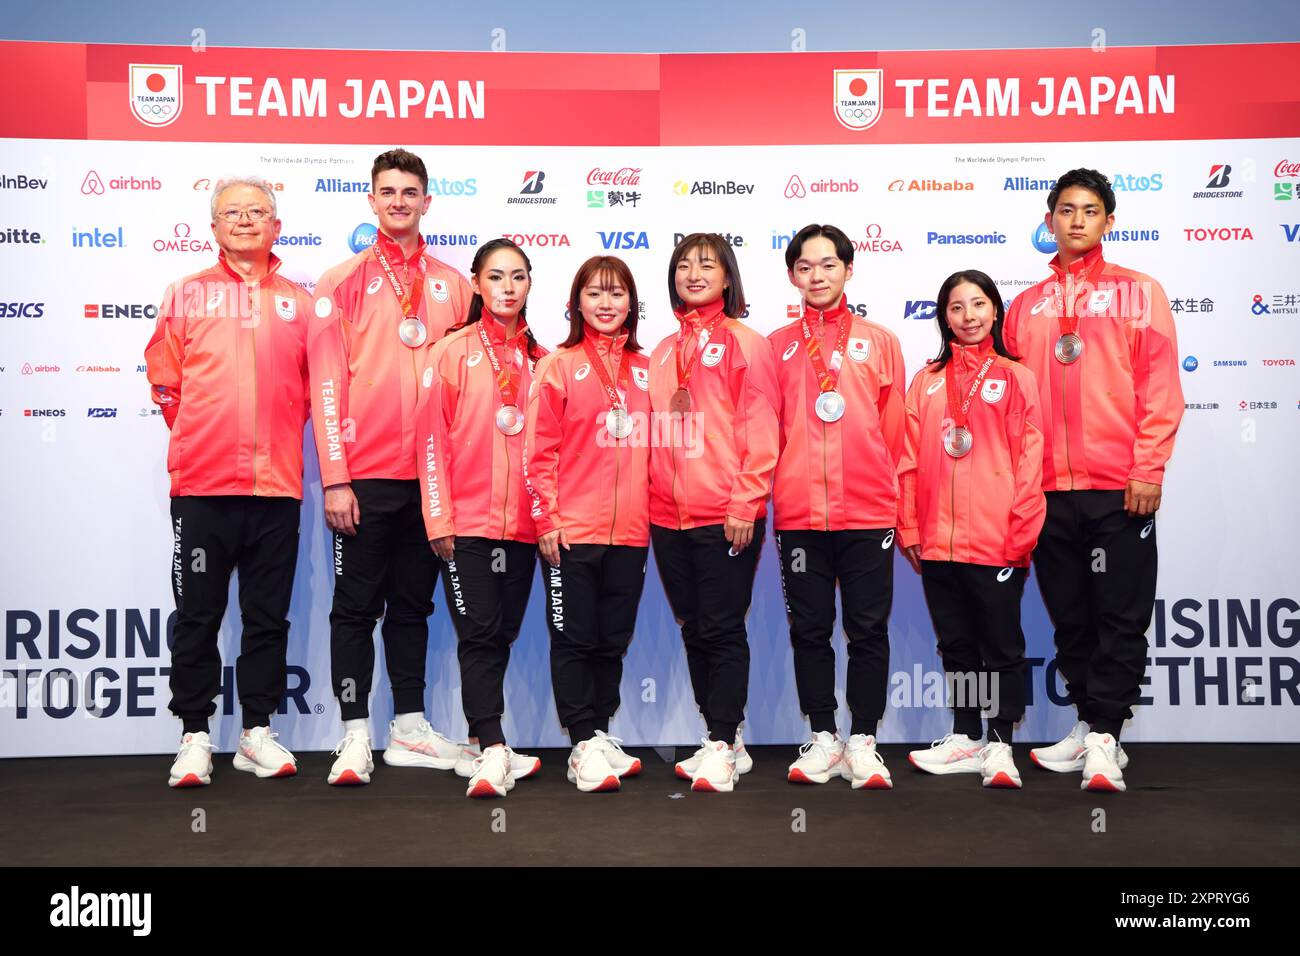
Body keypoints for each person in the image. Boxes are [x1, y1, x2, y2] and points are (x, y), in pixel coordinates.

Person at [1004, 169, 1183, 793]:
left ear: (1109, 220)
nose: (1077, 220)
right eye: (1065, 210)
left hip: (1118, 486)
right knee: (1071, 617)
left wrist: (1147, 468)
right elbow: (1012, 404)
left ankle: (1107, 735)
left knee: (1119, 615)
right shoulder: (1024, 306)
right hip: (1048, 491)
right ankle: (1088, 723)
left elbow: (1161, 388)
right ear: (1048, 219)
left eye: (1090, 211)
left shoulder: (1140, 293)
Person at [308, 148, 472, 786]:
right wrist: (336, 476)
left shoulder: (456, 285)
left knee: (413, 608)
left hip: (433, 481)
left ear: (427, 202)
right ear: (371, 201)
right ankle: (353, 735)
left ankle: (407, 727)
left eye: (410, 191)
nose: (399, 200)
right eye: (388, 191)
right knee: (354, 607)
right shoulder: (339, 282)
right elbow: (327, 386)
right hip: (364, 479)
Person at [146, 176, 313, 787]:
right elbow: (166, 381)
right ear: (212, 226)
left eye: (258, 211)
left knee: (267, 617)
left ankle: (256, 732)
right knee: (197, 614)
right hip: (202, 488)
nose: (245, 220)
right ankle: (194, 735)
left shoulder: (300, 302)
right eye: (232, 212)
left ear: (277, 225)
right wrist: (203, 432)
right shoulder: (186, 294)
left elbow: (307, 394)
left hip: (276, 489)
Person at [768, 224, 905, 790]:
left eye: (828, 265)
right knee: (810, 629)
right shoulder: (775, 345)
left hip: (868, 513)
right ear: (793, 275)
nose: (817, 276)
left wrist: (886, 493)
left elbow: (894, 432)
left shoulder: (880, 341)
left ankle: (865, 739)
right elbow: (764, 430)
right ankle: (823, 735)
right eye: (805, 266)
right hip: (800, 515)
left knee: (868, 629)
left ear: (849, 269)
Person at [899, 270, 1046, 789]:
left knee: (1001, 644)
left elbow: (1031, 461)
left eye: (978, 305)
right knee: (957, 644)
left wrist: (1021, 533)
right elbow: (908, 459)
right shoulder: (927, 380)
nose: (968, 317)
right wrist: (911, 527)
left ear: (996, 311)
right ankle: (966, 736)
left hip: (997, 538)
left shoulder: (1016, 377)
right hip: (938, 541)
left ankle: (1001, 741)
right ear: (944, 316)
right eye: (956, 307)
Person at [648, 232, 780, 793]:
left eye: (707, 264)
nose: (693, 273)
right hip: (665, 516)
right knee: (695, 628)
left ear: (728, 276)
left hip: (726, 512)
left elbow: (761, 429)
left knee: (723, 629)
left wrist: (746, 501)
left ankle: (722, 742)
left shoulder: (748, 343)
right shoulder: (660, 350)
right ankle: (724, 738)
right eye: (683, 265)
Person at [419, 238, 546, 799]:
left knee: (504, 633)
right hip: (466, 523)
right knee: (479, 634)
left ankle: (479, 742)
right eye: (496, 277)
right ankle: (493, 746)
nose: (507, 288)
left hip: (523, 526)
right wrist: (439, 517)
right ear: (476, 283)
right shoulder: (452, 352)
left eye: (518, 277)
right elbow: (430, 442)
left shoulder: (544, 360)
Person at [523, 255, 651, 793]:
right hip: (571, 530)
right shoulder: (557, 365)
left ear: (632, 304)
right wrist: (547, 518)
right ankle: (581, 741)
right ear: (576, 303)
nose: (606, 304)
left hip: (632, 533)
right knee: (573, 639)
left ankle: (599, 732)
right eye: (594, 294)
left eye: (617, 294)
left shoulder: (649, 370)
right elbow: (539, 452)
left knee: (611, 640)